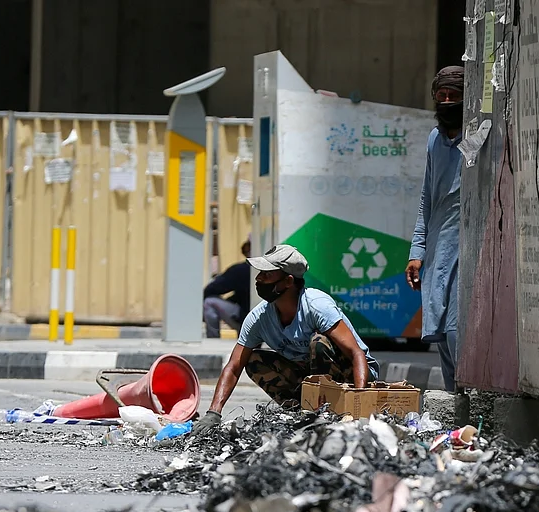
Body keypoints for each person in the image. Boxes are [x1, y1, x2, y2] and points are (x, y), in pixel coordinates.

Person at [190, 244, 381, 437]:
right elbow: (234, 366)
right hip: (309, 380)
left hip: (354, 378)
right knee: (254, 360)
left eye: (267, 275)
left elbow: (356, 353)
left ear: (288, 281)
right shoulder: (259, 317)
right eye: (260, 273)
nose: (258, 279)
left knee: (319, 342)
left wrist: (359, 404)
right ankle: (303, 410)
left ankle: (322, 409)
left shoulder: (316, 306)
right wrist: (213, 412)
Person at [407, 65, 464, 392]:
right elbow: (427, 198)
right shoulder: (434, 140)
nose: (446, 101)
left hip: (467, 253)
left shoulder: (478, 138)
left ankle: (472, 407)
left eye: (453, 96)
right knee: (441, 333)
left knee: (457, 332)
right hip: (437, 251)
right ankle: (459, 413)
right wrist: (417, 252)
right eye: (441, 96)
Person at [203, 241, 251, 338]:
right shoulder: (274, 270)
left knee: (209, 302)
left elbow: (212, 288)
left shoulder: (241, 270)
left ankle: (213, 339)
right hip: (271, 321)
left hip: (246, 319)